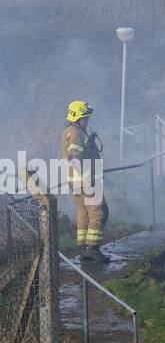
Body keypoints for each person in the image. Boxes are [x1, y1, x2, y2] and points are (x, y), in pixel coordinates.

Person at [61, 100, 110, 264]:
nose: (87, 121)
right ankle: (92, 249)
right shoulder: (77, 133)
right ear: (76, 117)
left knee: (83, 212)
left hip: (76, 182)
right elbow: (75, 157)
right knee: (98, 212)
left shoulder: (67, 131)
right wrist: (88, 178)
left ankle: (83, 248)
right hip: (86, 180)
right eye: (84, 118)